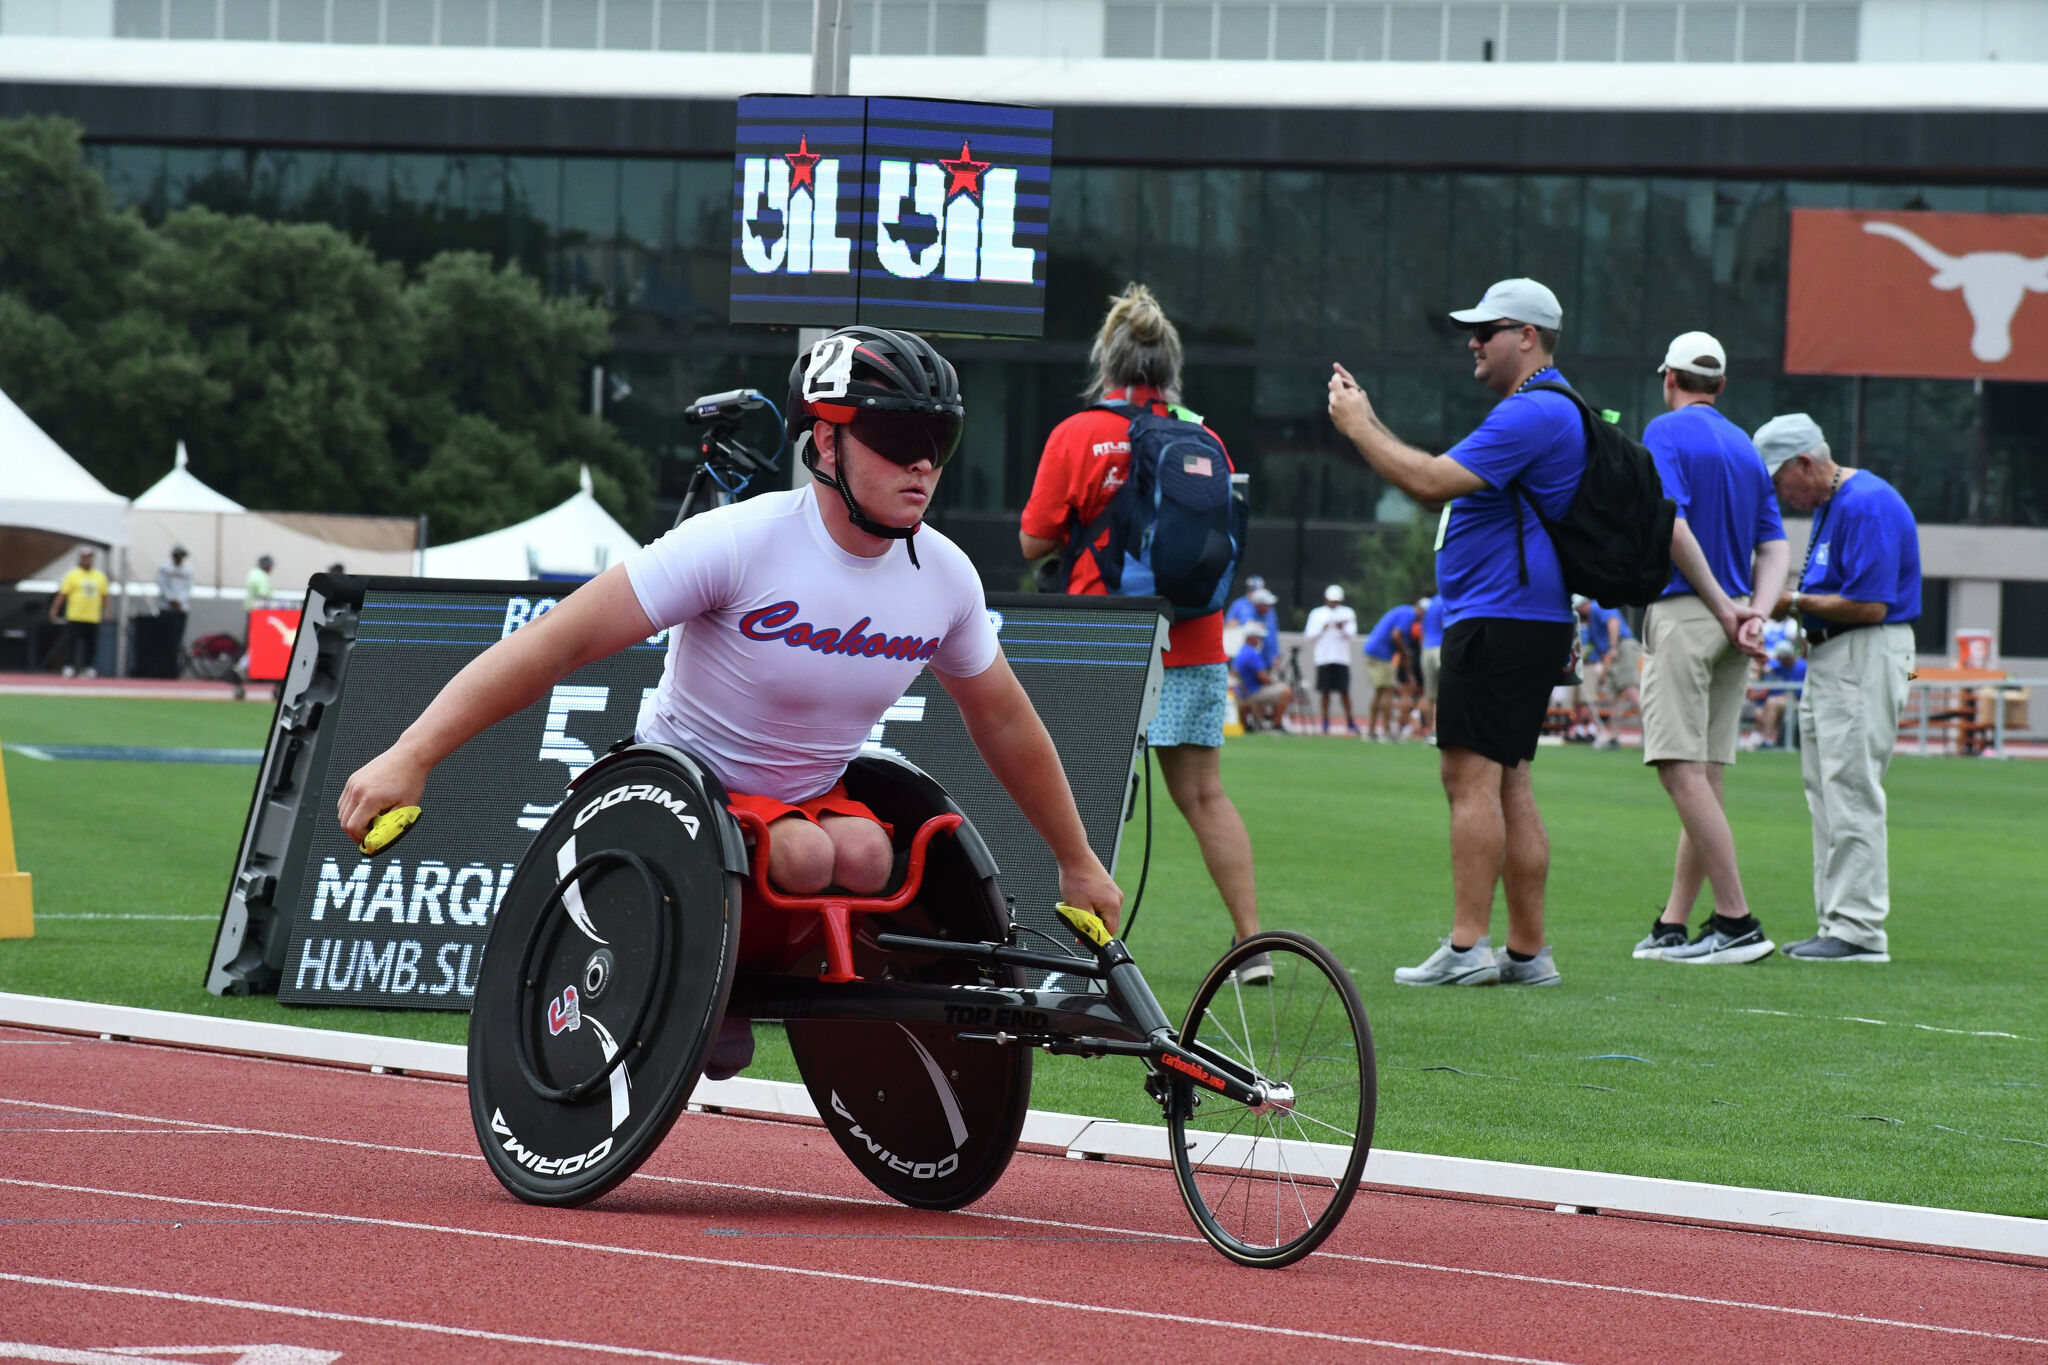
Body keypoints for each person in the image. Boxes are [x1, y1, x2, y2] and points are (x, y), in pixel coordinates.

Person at [341, 327, 1125, 1081]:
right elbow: (557, 643)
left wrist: (1077, 858)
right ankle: (701, 970)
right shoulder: (739, 543)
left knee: (868, 854)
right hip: (681, 802)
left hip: (811, 805)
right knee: (817, 853)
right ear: (825, 443)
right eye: (897, 437)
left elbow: (1004, 719)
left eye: (940, 440)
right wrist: (411, 755)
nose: (922, 463)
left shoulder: (945, 578)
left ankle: (752, 976)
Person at [1328, 278, 1755, 988]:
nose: (1473, 340)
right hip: (1525, 618)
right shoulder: (1564, 411)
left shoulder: (1531, 414)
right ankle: (1528, 951)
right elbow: (1665, 517)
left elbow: (1431, 480)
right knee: (1509, 782)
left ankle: (1469, 947)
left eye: (1487, 328)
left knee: (1468, 777)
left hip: (1499, 618)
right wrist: (1722, 604)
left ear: (1526, 336)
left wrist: (1359, 423)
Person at [1020, 284, 1269, 982]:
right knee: (1204, 794)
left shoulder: (1078, 434)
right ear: (1168, 367)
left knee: (1082, 797)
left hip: (1103, 641)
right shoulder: (1204, 436)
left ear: (1108, 359)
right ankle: (1252, 945)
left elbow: (1033, 540)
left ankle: (1080, 953)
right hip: (1192, 639)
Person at [1631, 332, 1788, 965]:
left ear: (1669, 377)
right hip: (1732, 623)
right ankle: (1674, 922)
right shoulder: (1746, 447)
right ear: (1719, 385)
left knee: (1678, 768)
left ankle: (1735, 918)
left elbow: (1671, 523)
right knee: (1706, 774)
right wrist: (1756, 613)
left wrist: (1727, 609)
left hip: (1689, 613)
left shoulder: (1664, 434)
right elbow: (1774, 544)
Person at [1758, 413, 1920, 964]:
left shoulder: (1865, 503)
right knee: (1826, 791)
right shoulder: (1837, 503)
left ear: (1805, 463)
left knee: (1850, 788)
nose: (1780, 495)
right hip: (1835, 654)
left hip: (1864, 649)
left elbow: (1870, 604)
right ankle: (1837, 921)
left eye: (1780, 481)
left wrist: (1792, 603)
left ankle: (1858, 929)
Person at [1303, 585, 1359, 734]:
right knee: (1325, 692)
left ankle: (1350, 722)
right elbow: (1309, 636)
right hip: (1324, 658)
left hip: (1342, 658)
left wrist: (1341, 627)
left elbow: (1352, 635)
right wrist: (1324, 627)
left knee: (1344, 692)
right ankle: (1325, 722)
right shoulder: (1317, 614)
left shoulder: (1347, 613)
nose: (1334, 603)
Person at [1360, 601, 1418, 740]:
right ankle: (1386, 732)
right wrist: (1405, 654)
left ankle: (1371, 731)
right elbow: (1396, 635)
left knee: (1379, 692)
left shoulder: (1401, 610)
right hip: (1381, 654)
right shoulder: (1410, 614)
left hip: (1371, 650)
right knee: (1388, 690)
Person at [49, 548, 109, 678]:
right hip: (75, 615)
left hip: (92, 616)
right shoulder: (73, 575)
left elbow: (104, 596)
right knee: (72, 643)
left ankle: (88, 667)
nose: (87, 560)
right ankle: (69, 666)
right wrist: (55, 609)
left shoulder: (99, 576)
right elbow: (63, 594)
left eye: (89, 557)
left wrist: (108, 611)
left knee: (91, 644)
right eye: (85, 557)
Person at [1231, 620, 1290, 731]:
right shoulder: (1252, 653)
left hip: (1244, 692)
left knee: (1275, 690)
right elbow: (1263, 678)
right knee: (1286, 691)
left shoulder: (1242, 650)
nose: (1260, 640)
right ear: (1251, 638)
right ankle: (1276, 724)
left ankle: (1264, 720)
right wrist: (1273, 681)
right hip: (1251, 693)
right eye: (1258, 637)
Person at [1751, 638, 1805, 749]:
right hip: (1777, 702)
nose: (1778, 660)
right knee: (1761, 710)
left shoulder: (1803, 667)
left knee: (1772, 703)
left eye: (1780, 658)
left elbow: (1800, 692)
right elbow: (1764, 675)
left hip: (1798, 702)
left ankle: (1767, 740)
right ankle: (1757, 739)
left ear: (1786, 657)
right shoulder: (1776, 667)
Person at [1226, 577, 1281, 672]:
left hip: (1265, 656)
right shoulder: (1238, 605)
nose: (1254, 593)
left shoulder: (1268, 608)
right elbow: (1228, 627)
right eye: (1252, 590)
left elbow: (1273, 633)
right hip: (1244, 656)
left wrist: (1276, 654)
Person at [1417, 592, 1446, 738]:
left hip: (1427, 650)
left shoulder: (1432, 603)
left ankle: (1429, 731)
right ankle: (1439, 730)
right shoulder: (1448, 599)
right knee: (1445, 692)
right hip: (1440, 649)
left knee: (1430, 694)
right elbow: (1447, 624)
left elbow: (1423, 630)